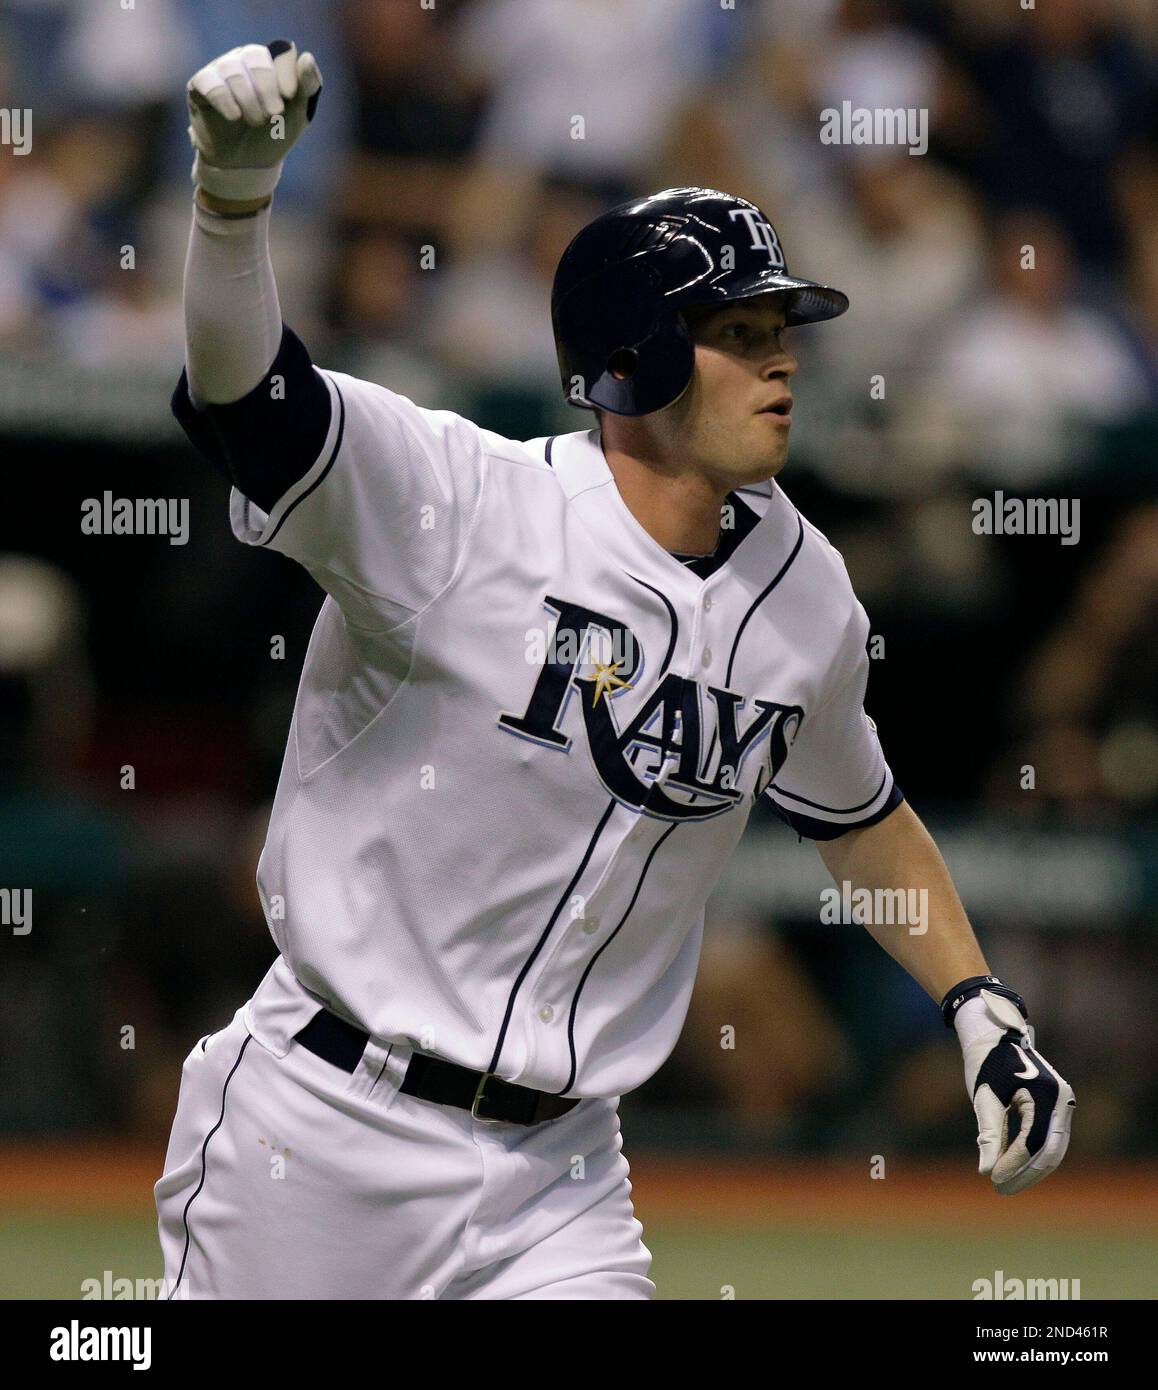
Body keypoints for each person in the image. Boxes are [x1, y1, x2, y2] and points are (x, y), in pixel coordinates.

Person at [156, 40, 1075, 1301]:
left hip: (562, 1176)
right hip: (322, 1134)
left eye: (779, 330)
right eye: (738, 332)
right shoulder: (465, 503)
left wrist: (979, 1001)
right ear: (635, 356)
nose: (781, 360)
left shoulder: (803, 588)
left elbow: (862, 819)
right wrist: (231, 207)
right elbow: (248, 399)